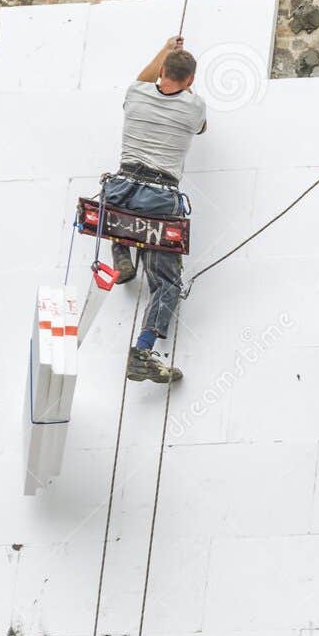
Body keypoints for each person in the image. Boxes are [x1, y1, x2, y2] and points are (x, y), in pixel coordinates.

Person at [109, 35, 206, 383]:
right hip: (160, 197)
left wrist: (165, 49)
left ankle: (122, 255)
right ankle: (144, 351)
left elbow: (142, 78)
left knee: (114, 208)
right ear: (191, 81)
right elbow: (201, 125)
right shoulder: (194, 107)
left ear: (162, 69)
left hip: (121, 189)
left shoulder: (136, 94)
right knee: (166, 283)